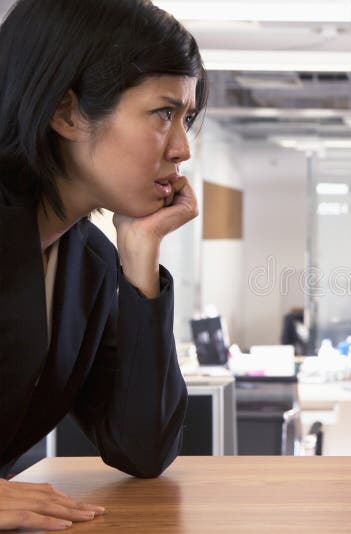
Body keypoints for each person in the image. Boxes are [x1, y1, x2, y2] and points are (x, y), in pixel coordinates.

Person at [0, 0, 206, 530]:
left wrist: (139, 259)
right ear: (67, 113)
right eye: (164, 114)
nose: (182, 148)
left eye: (185, 118)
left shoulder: (85, 259)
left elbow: (141, 449)